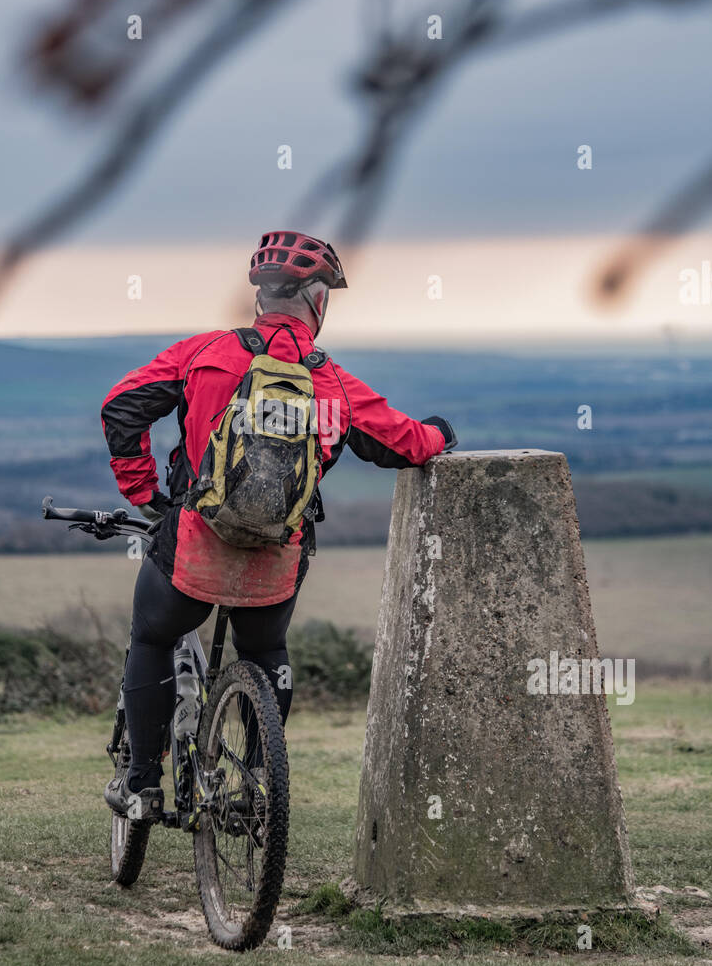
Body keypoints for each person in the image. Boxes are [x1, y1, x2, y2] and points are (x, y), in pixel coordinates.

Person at [101, 231, 457, 819]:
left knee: (153, 638)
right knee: (266, 651)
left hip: (194, 547)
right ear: (317, 300)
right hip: (275, 556)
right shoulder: (333, 381)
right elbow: (409, 444)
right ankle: (259, 780)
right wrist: (443, 431)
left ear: (261, 299)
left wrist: (145, 494)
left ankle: (141, 785)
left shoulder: (204, 353)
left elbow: (122, 406)